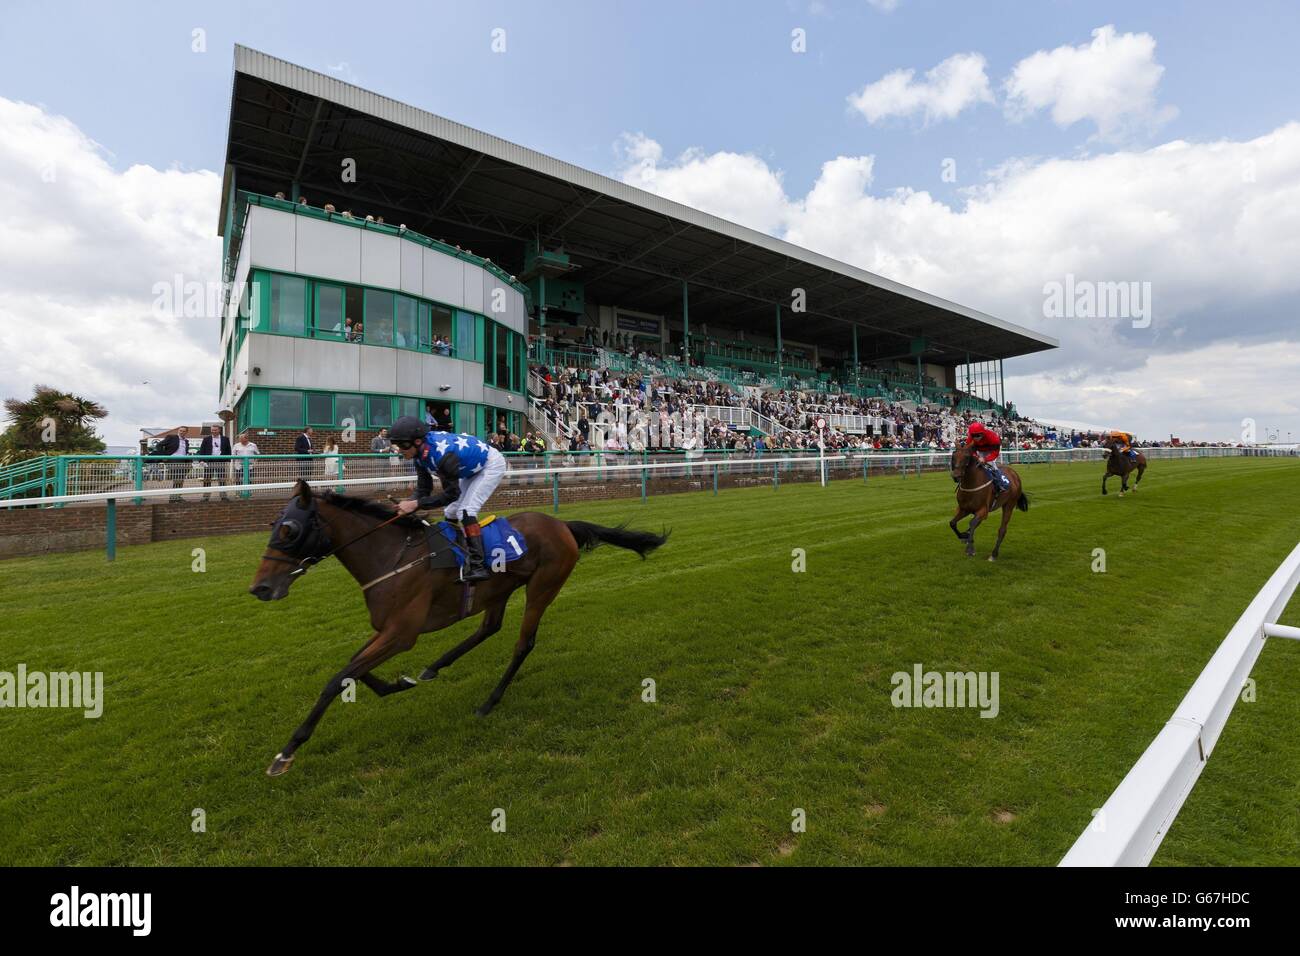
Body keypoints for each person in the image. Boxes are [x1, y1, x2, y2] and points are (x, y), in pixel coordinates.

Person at [388, 416, 508, 582]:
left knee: (466, 511)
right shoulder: (419, 456)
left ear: (417, 442)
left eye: (402, 445)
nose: (399, 449)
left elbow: (452, 494)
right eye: (396, 445)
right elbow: (424, 489)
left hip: (489, 464)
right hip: (469, 468)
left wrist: (416, 504)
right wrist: (409, 504)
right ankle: (458, 550)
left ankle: (478, 566)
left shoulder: (441, 455)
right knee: (450, 511)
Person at [965, 421, 1010, 491]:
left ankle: (1000, 483)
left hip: (991, 451)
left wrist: (985, 459)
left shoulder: (993, 437)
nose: (975, 438)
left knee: (990, 465)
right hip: (979, 451)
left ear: (983, 433)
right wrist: (977, 457)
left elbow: (995, 453)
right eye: (973, 435)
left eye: (978, 435)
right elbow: (971, 451)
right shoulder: (970, 438)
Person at [153, 426, 192, 502]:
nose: (182, 432)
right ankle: (173, 498)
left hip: (184, 461)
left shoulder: (186, 441)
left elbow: (185, 451)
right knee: (178, 479)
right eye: (180, 430)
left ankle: (176, 497)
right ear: (178, 431)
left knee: (181, 479)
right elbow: (159, 445)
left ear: (186, 432)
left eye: (184, 431)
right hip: (173, 460)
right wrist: (164, 456)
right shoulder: (171, 437)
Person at [198, 424, 232, 501]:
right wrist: (201, 460)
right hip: (208, 461)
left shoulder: (225, 439)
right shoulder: (206, 439)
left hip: (221, 461)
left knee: (222, 479)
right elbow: (202, 450)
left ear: (219, 430)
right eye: (212, 430)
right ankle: (206, 496)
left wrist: (228, 460)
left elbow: (228, 450)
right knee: (207, 479)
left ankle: (223, 496)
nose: (214, 431)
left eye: (215, 430)